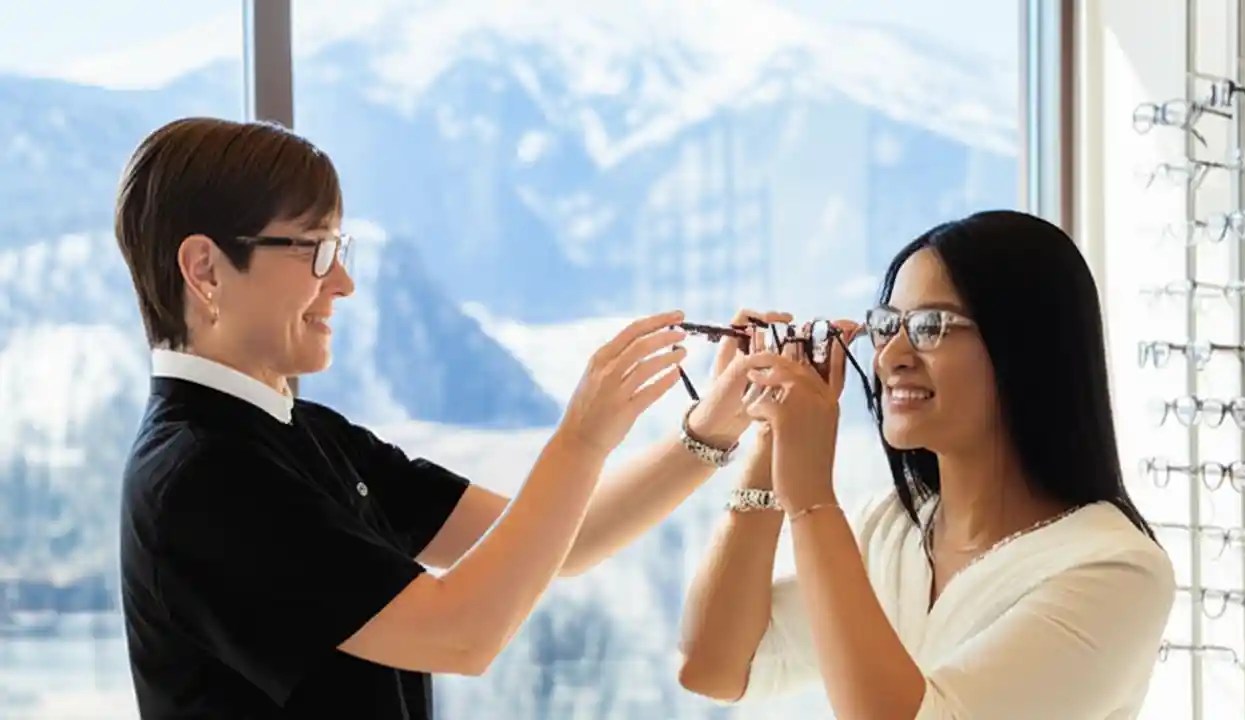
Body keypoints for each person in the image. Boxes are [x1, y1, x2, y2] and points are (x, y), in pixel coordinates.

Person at [112, 117, 770, 719]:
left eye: (340, 248)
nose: (342, 282)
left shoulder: (303, 434)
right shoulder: (206, 479)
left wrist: (711, 430)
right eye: (314, 249)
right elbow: (461, 633)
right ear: (205, 270)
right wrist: (583, 435)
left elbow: (557, 541)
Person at [677, 210, 1175, 719]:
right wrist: (769, 442)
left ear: (1025, 345)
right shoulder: (891, 529)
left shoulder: (1114, 568)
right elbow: (714, 666)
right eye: (888, 325)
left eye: (931, 326)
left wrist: (810, 501)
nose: (890, 356)